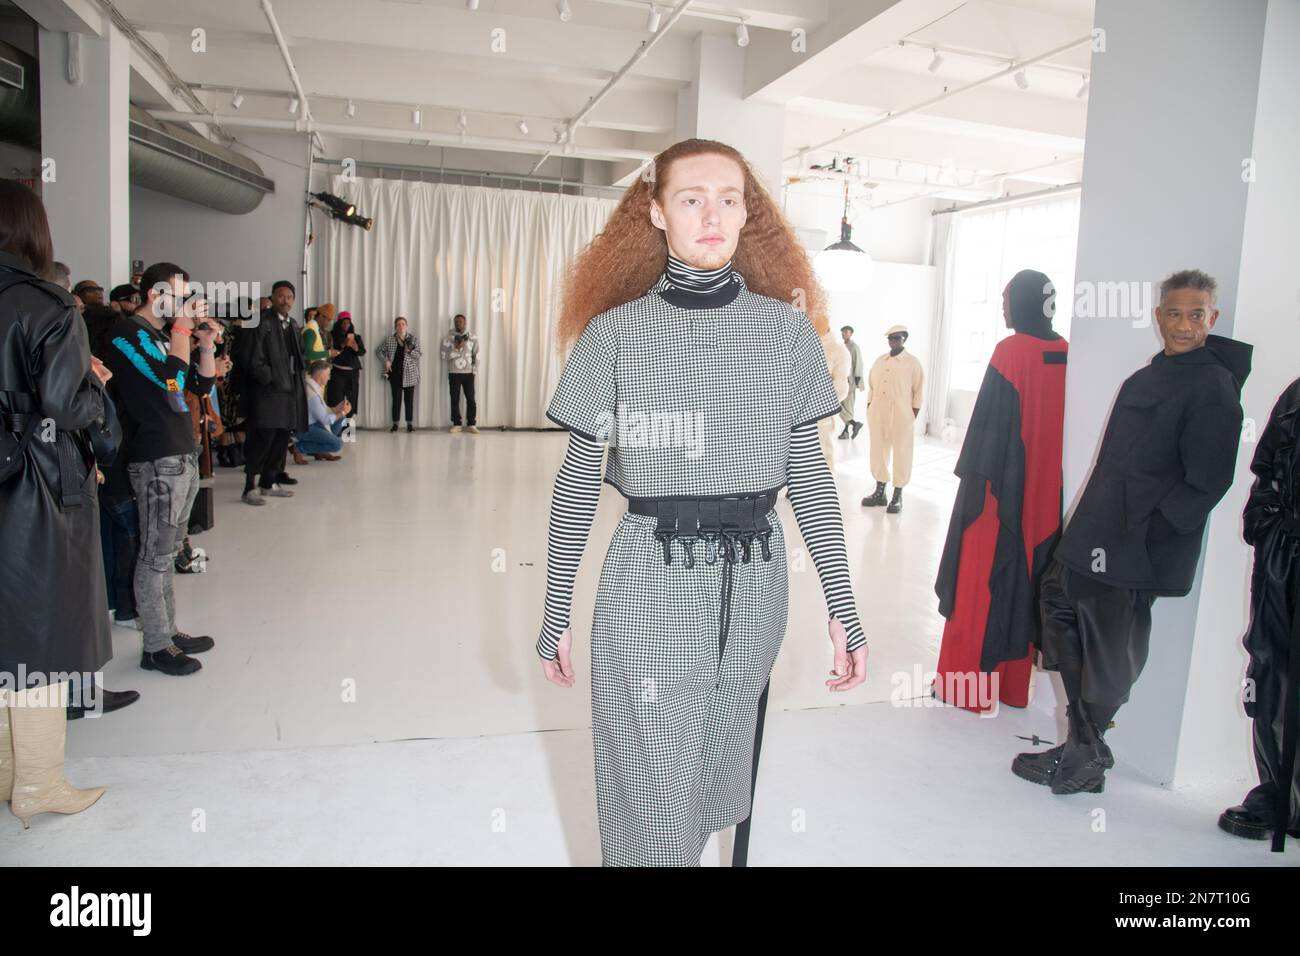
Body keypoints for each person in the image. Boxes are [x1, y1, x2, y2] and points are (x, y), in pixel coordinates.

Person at [535, 138, 867, 867]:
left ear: (750, 213)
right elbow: (576, 484)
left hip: (754, 583)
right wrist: (557, 609)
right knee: (649, 787)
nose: (711, 214)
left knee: (720, 770)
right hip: (649, 579)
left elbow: (808, 474)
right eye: (691, 198)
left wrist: (844, 607)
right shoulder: (615, 333)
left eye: (729, 198)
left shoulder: (785, 331)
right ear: (656, 213)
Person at [1013, 269, 1251, 795]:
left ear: (1211, 319)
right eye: (1174, 313)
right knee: (1056, 607)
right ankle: (1085, 746)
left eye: (1196, 315)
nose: (1184, 325)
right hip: (1095, 531)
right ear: (1157, 315)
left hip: (1136, 545)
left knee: (1112, 647)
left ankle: (1084, 754)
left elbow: (1208, 480)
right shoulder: (1147, 378)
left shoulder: (1213, 385)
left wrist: (1148, 536)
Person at [0, 180, 114, 826]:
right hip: (35, 486)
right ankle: (38, 781)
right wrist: (96, 389)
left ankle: (5, 769)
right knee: (38, 634)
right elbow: (67, 405)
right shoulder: (47, 306)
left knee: (2, 629)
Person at [933, 270, 1068, 714]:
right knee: (1025, 582)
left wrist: (972, 493)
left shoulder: (1011, 352)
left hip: (998, 492)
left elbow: (987, 434)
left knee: (980, 581)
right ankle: (1013, 689)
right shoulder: (1065, 352)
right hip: (1046, 496)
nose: (1003, 307)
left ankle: (965, 689)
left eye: (1007, 298)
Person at [103, 262, 219, 676]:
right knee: (153, 556)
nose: (185, 304)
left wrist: (204, 344)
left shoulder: (162, 335)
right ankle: (155, 646)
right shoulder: (125, 334)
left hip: (180, 452)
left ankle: (167, 632)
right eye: (179, 295)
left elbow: (199, 388)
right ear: (155, 294)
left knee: (168, 553)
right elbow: (169, 380)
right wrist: (184, 332)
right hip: (154, 457)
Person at [1219, 376, 1300, 849]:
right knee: (1271, 667)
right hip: (1284, 557)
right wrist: (1266, 525)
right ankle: (1276, 791)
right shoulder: (1298, 394)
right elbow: (1267, 464)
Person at [241, 280, 307, 504]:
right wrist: (270, 379)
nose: (285, 301)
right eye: (281, 296)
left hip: (289, 392)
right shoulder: (262, 321)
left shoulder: (293, 324)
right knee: (262, 440)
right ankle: (250, 488)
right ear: (272, 297)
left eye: (289, 297)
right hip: (268, 393)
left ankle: (269, 483)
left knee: (280, 440)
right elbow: (254, 359)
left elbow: (300, 355)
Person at [861, 325, 924, 514]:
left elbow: (918, 390)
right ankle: (880, 491)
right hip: (879, 411)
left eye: (897, 338)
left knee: (902, 452)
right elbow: (872, 385)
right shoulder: (880, 361)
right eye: (890, 338)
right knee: (878, 450)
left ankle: (898, 494)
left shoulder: (913, 363)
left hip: (901, 413)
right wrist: (870, 406)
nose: (893, 341)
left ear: (904, 339)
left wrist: (912, 414)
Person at [294, 360, 350, 460]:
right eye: (328, 374)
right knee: (337, 444)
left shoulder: (314, 387)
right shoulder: (312, 393)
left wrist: (338, 408)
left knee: (342, 418)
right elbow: (325, 420)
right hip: (306, 429)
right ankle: (299, 448)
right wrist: (342, 412)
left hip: (314, 424)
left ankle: (321, 450)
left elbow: (322, 411)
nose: (329, 378)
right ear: (320, 374)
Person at [378, 316, 420, 432]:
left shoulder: (413, 339)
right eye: (398, 324)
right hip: (395, 374)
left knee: (409, 400)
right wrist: (386, 360)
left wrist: (410, 351)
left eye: (403, 324)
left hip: (410, 373)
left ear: (406, 326)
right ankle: (395, 424)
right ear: (395, 327)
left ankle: (409, 424)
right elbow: (379, 351)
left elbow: (418, 355)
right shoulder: (390, 339)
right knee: (396, 399)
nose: (400, 326)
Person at [441, 313, 479, 433]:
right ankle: (457, 423)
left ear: (465, 322)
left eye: (460, 321)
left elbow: (476, 355)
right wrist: (456, 349)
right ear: (454, 323)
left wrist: (474, 370)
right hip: (454, 373)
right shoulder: (448, 338)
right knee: (454, 399)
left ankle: (471, 423)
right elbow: (443, 356)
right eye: (456, 321)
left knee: (471, 399)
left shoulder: (473, 337)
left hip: (468, 373)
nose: (458, 323)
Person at [820, 325, 851, 464]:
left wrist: (819, 407)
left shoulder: (838, 350)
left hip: (820, 418)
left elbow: (840, 388)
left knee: (821, 462)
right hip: (793, 418)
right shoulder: (800, 343)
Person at [327, 311, 364, 418]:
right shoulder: (332, 335)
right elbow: (332, 351)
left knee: (351, 400)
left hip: (353, 373)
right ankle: (336, 428)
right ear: (338, 323)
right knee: (336, 400)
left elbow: (362, 352)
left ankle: (347, 431)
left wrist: (355, 347)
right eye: (343, 323)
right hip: (337, 372)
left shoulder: (356, 337)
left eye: (348, 323)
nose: (346, 325)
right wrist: (344, 344)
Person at [837, 325, 863, 440]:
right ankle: (854, 424)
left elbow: (858, 363)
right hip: (841, 380)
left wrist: (857, 379)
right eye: (843, 332)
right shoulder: (841, 346)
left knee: (848, 406)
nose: (845, 334)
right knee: (839, 405)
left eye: (847, 332)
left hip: (851, 380)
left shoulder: (854, 347)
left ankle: (846, 431)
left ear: (851, 334)